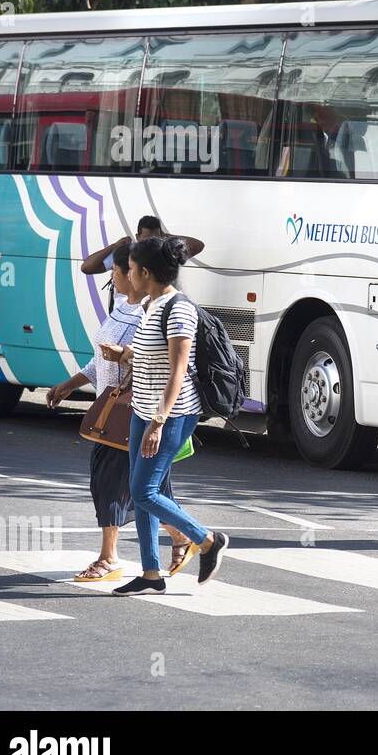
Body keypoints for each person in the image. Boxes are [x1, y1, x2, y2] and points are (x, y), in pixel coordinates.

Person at [46, 241, 193, 581]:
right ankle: (181, 537)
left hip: (132, 411)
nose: (113, 275)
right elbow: (99, 363)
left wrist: (125, 356)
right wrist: (68, 384)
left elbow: (163, 363)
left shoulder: (151, 309)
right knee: (147, 489)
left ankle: (110, 557)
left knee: (112, 482)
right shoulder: (120, 308)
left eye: (119, 270)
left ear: (137, 273)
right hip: (113, 409)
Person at [104, 236, 229, 595]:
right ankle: (150, 573)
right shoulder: (151, 305)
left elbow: (177, 370)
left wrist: (159, 421)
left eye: (129, 269)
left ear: (145, 271)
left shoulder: (179, 309)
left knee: (142, 491)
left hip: (171, 414)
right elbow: (151, 356)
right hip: (143, 408)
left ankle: (206, 540)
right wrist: (123, 355)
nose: (127, 275)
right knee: (144, 489)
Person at [80, 216, 205, 276]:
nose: (150, 244)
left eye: (155, 239)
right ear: (137, 237)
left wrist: (168, 236)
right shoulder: (126, 253)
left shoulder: (167, 254)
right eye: (146, 239)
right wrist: (114, 246)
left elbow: (197, 245)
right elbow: (87, 267)